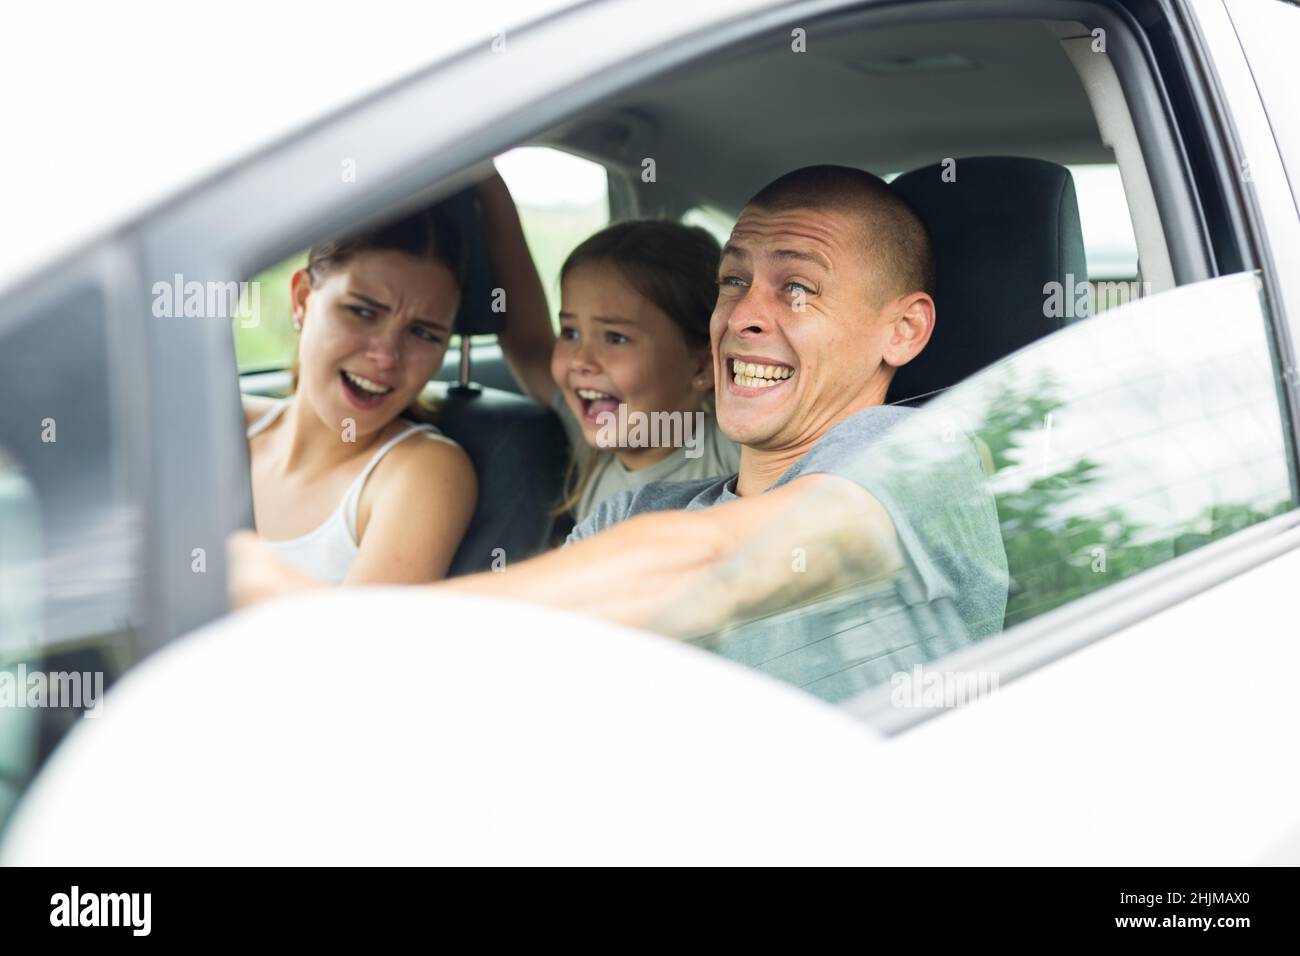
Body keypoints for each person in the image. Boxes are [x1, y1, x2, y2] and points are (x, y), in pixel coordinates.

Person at [231, 165, 1007, 701]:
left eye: (796, 288)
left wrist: (344, 630)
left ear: (902, 331)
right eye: (733, 281)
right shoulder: (628, 516)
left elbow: (709, 564)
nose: (743, 314)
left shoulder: (923, 461)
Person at [475, 170, 739, 522]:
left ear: (703, 366)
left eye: (615, 338)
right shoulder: (597, 445)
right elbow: (527, 343)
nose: (581, 360)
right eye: (569, 332)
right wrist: (490, 189)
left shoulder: (731, 452)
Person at [242, 206, 477, 585]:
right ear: (302, 299)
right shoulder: (229, 426)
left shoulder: (418, 470)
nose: (386, 357)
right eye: (362, 312)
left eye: (423, 333)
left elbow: (357, 641)